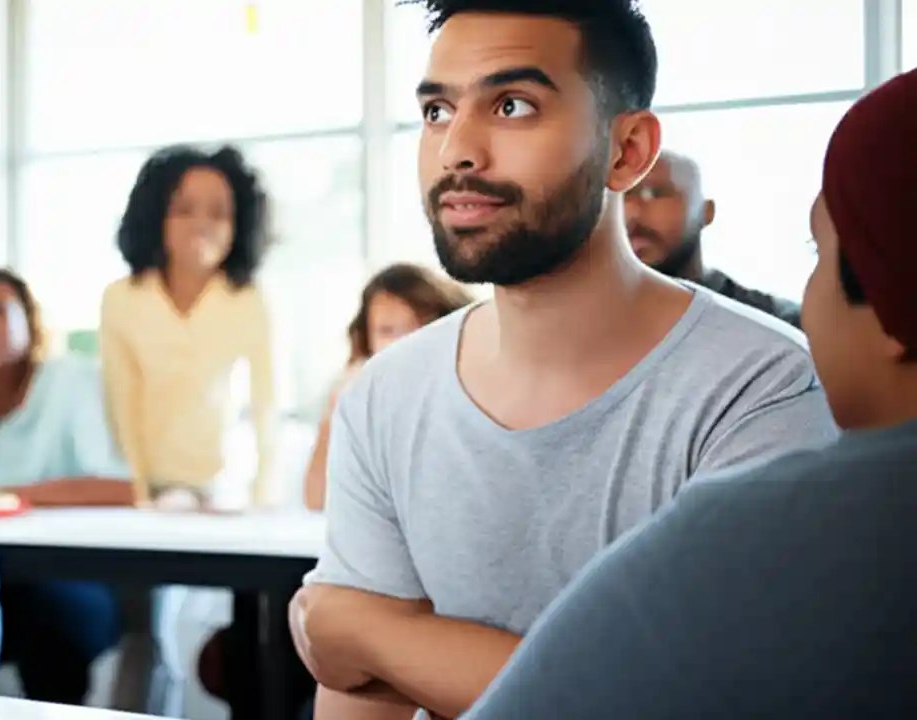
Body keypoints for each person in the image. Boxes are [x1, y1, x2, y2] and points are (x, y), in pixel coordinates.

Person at [288, 2, 839, 718]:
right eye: (436, 111)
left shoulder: (763, 387)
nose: (457, 150)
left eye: (511, 106)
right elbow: (361, 702)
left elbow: (708, 702)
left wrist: (377, 633)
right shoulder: (386, 394)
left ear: (627, 152)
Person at [463, 66, 917, 720]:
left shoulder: (759, 533)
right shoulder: (404, 384)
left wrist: (368, 629)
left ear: (889, 295)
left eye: (817, 250)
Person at [0, 268, 130, 705]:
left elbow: (119, 488)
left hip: (71, 576)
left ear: (30, 321)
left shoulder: (69, 380)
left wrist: (14, 496)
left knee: (47, 613)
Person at [100, 144, 275, 509]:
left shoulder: (249, 301)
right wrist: (140, 496)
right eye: (184, 210)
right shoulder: (121, 299)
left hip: (227, 495)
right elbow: (121, 405)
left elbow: (267, 406)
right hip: (149, 494)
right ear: (157, 216)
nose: (202, 224)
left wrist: (262, 499)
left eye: (219, 213)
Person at [303, 263, 473, 510]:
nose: (404, 344)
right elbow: (317, 500)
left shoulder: (469, 395)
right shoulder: (360, 401)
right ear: (367, 340)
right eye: (387, 331)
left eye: (419, 328)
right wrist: (334, 415)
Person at [626, 149, 803, 327]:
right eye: (616, 198)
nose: (628, 212)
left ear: (706, 212)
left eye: (653, 194)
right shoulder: (610, 324)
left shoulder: (780, 325)